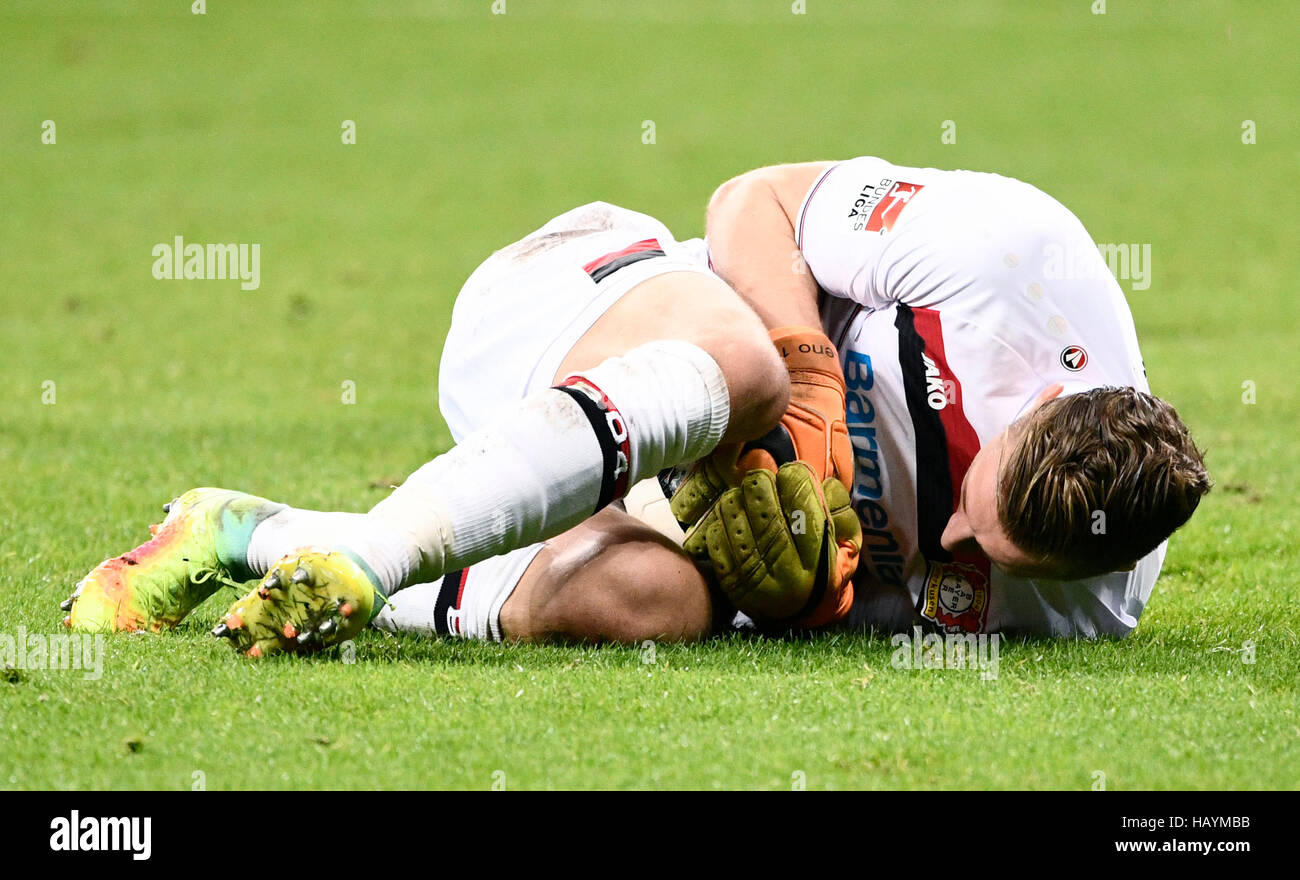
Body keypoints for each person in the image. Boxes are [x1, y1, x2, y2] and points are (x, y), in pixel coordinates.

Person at [62, 158, 1210, 654]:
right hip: (578, 300)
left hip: (589, 463)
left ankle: (236, 531)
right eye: (973, 501)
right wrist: (807, 375)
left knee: (651, 603)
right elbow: (748, 198)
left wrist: (805, 594)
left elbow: (813, 599)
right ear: (1042, 400)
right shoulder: (1015, 257)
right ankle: (380, 543)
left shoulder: (1082, 610)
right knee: (749, 372)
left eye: (991, 557)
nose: (954, 540)